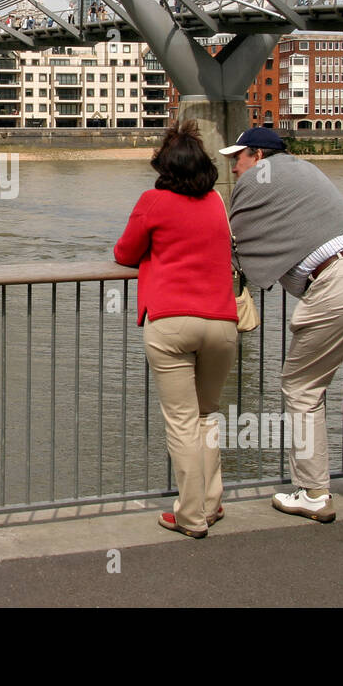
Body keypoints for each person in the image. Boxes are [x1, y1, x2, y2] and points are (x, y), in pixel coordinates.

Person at [219, 127, 343, 540]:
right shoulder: (306, 170)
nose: (233, 167)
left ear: (257, 155)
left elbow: (230, 243)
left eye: (238, 157)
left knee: (302, 386)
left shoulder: (257, 179)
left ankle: (312, 494)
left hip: (338, 283)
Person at [114, 121, 238, 538]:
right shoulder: (218, 203)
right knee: (207, 416)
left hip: (171, 323)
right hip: (221, 323)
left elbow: (124, 251)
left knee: (182, 422)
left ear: (164, 168)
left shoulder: (154, 200)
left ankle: (189, 517)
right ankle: (210, 504)